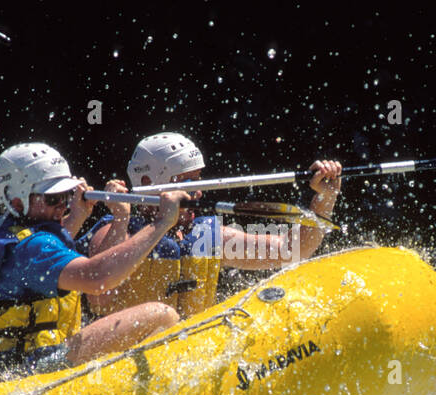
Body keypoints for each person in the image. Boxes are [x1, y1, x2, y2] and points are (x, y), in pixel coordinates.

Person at [0, 142, 190, 383]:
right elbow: (98, 278)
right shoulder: (33, 247)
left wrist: (77, 214)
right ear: (17, 199)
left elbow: (40, 263)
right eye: (54, 199)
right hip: (34, 369)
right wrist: (161, 223)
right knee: (161, 314)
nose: (63, 205)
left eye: (66, 196)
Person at [81, 133, 342, 318]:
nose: (199, 194)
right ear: (150, 183)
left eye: (199, 181)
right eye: (189, 183)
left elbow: (292, 249)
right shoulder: (118, 231)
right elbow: (98, 299)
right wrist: (121, 219)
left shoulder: (206, 236)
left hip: (191, 358)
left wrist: (325, 198)